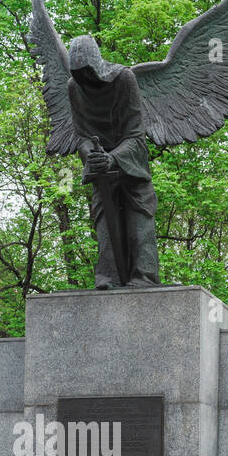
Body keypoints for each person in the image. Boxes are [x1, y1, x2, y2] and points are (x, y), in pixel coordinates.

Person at [67, 35, 160, 290]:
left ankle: (144, 277)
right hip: (101, 169)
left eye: (88, 72)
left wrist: (113, 158)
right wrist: (91, 156)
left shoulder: (123, 78)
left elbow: (135, 135)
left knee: (139, 216)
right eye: (79, 74)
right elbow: (81, 135)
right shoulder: (73, 88)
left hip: (131, 164)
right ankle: (107, 277)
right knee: (104, 222)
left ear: (96, 66)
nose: (85, 79)